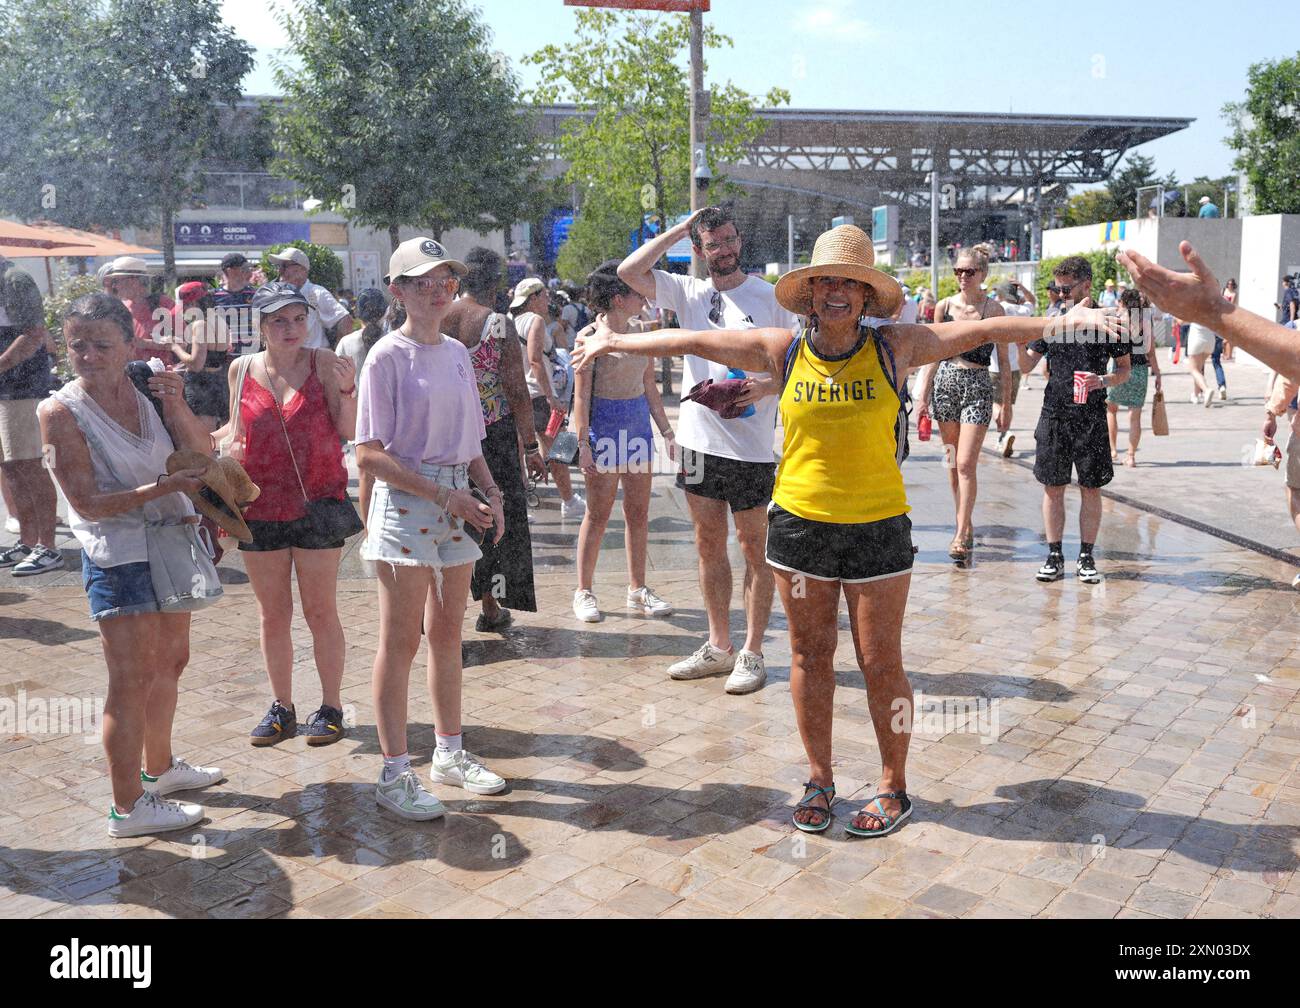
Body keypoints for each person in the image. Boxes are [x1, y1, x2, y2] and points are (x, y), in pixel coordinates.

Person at [573, 223, 1121, 836]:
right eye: (825, 281)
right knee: (809, 656)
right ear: (809, 294)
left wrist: (1069, 323)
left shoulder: (897, 345)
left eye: (850, 283)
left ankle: (893, 786)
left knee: (881, 660)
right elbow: (693, 337)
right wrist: (613, 340)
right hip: (800, 527)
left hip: (878, 528)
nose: (836, 292)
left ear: (866, 295)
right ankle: (819, 779)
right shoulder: (780, 348)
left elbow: (990, 330)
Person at [38, 293, 223, 837]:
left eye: (102, 345)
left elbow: (203, 456)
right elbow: (87, 504)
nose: (89, 356)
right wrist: (163, 487)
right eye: (78, 346)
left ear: (129, 345)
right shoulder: (59, 411)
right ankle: (127, 807)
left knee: (172, 662)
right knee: (129, 679)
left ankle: (160, 770)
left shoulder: (147, 386)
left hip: (168, 543)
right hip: (116, 557)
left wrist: (175, 405)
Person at [355, 237, 507, 820]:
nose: (436, 288)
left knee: (448, 634)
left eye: (444, 278)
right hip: (411, 503)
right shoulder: (385, 357)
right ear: (398, 291)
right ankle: (394, 769)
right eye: (422, 280)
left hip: (460, 502)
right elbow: (368, 454)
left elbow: (471, 441)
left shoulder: (457, 353)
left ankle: (449, 750)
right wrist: (449, 495)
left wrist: (489, 491)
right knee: (400, 641)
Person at [618, 205, 796, 694]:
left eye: (731, 240)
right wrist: (678, 227)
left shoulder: (770, 296)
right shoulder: (688, 291)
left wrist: (763, 387)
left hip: (752, 445)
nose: (725, 250)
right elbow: (628, 272)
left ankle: (753, 652)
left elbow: (800, 362)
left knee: (754, 547)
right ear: (698, 250)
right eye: (713, 243)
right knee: (707, 544)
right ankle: (719, 645)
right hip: (699, 440)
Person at [219, 282, 358, 747]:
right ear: (259, 326)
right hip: (259, 506)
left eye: (299, 318)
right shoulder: (240, 370)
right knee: (272, 614)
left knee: (321, 612)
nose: (291, 328)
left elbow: (349, 430)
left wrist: (348, 388)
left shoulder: (323, 363)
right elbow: (234, 435)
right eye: (279, 320)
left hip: (318, 503)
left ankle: (332, 706)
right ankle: (282, 707)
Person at [443, 247, 547, 631]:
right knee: (493, 517)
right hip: (492, 436)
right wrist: (531, 447)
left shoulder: (437, 316)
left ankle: (442, 613)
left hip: (444, 437)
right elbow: (517, 390)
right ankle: (490, 607)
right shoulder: (498, 323)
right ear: (498, 284)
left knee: (448, 519)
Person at [571, 261, 676, 624]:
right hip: (603, 428)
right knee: (597, 514)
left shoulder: (642, 333)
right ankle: (583, 590)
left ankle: (637, 588)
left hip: (637, 431)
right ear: (618, 298)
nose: (645, 296)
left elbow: (650, 387)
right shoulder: (587, 337)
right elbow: (581, 399)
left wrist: (666, 431)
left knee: (638, 514)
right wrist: (583, 443)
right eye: (637, 290)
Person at [1019, 256, 1131, 584]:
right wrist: (1011, 336)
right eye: (1058, 288)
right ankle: (1054, 556)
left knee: (1090, 487)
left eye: (1066, 289)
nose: (1060, 295)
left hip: (1092, 416)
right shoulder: (1053, 321)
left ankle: (1086, 556)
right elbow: (1026, 367)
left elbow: (1124, 371)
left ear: (1086, 285)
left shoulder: (1110, 322)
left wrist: (1103, 381)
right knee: (1053, 486)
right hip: (1054, 412)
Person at [912, 244, 1012, 565]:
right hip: (946, 386)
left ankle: (959, 534)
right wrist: (923, 396)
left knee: (967, 463)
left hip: (978, 386)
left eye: (969, 272)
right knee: (952, 462)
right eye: (958, 271)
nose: (963, 277)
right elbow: (931, 354)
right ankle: (964, 524)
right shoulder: (943, 307)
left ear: (983, 274)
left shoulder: (993, 310)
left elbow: (1005, 362)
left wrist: (1005, 402)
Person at [0, 256, 63, 576]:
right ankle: (27, 541)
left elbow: (34, 334)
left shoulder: (15, 279)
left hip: (21, 390)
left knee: (29, 466)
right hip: (5, 391)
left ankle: (48, 547)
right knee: (10, 468)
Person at [511, 276, 585, 519]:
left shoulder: (509, 321)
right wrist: (552, 397)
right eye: (543, 295)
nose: (547, 300)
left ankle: (521, 505)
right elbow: (535, 359)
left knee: (522, 451)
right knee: (559, 447)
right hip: (539, 393)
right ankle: (569, 500)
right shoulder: (535, 321)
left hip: (517, 394)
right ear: (533, 298)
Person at [1106, 289, 1161, 467]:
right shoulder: (1145, 321)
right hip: (1139, 370)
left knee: (1111, 410)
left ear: (1123, 303)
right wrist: (1158, 373)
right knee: (1134, 415)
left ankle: (1113, 450)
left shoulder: (1117, 320)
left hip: (1118, 368)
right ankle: (1130, 456)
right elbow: (1150, 351)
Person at [173, 281, 233, 432]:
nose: (184, 310)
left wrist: (175, 348)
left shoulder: (200, 324)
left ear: (193, 302)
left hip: (202, 385)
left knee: (204, 440)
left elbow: (196, 364)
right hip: (221, 380)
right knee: (225, 438)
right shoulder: (220, 321)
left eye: (185, 306)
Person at [266, 247, 353, 351]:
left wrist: (337, 354)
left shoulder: (316, 293)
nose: (280, 271)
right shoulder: (277, 294)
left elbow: (345, 319)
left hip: (314, 362)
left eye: (285, 266)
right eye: (279, 266)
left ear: (302, 270)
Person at [991, 279, 1036, 455]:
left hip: (995, 363)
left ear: (1002, 294)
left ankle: (1003, 433)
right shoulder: (1023, 310)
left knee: (994, 402)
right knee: (1008, 403)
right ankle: (1004, 435)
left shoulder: (998, 308)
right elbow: (1032, 301)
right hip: (1016, 365)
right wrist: (1023, 287)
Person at [104, 257, 178, 363]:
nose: (115, 286)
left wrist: (145, 343)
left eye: (116, 280)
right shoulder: (121, 307)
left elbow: (183, 342)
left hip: (160, 376)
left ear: (133, 281)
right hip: (128, 375)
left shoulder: (164, 304)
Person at [212, 253, 258, 356]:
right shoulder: (214, 296)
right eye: (244, 268)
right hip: (224, 357)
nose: (249, 272)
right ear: (230, 271)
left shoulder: (255, 295)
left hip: (251, 354)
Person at [1184, 318, 1218, 404]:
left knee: (1193, 369)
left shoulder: (1194, 306)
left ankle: (1206, 390)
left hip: (1197, 338)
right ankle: (1196, 395)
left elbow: (1181, 321)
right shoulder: (1211, 305)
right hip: (1210, 340)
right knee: (1198, 369)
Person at [1221, 280, 1237, 360]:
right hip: (1221, 313)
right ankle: (1225, 354)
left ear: (1233, 285)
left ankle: (1228, 354)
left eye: (1231, 284)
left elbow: (1231, 304)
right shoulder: (1224, 290)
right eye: (1228, 284)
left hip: (1229, 315)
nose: (1229, 285)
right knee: (1222, 337)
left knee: (1226, 338)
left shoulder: (1234, 294)